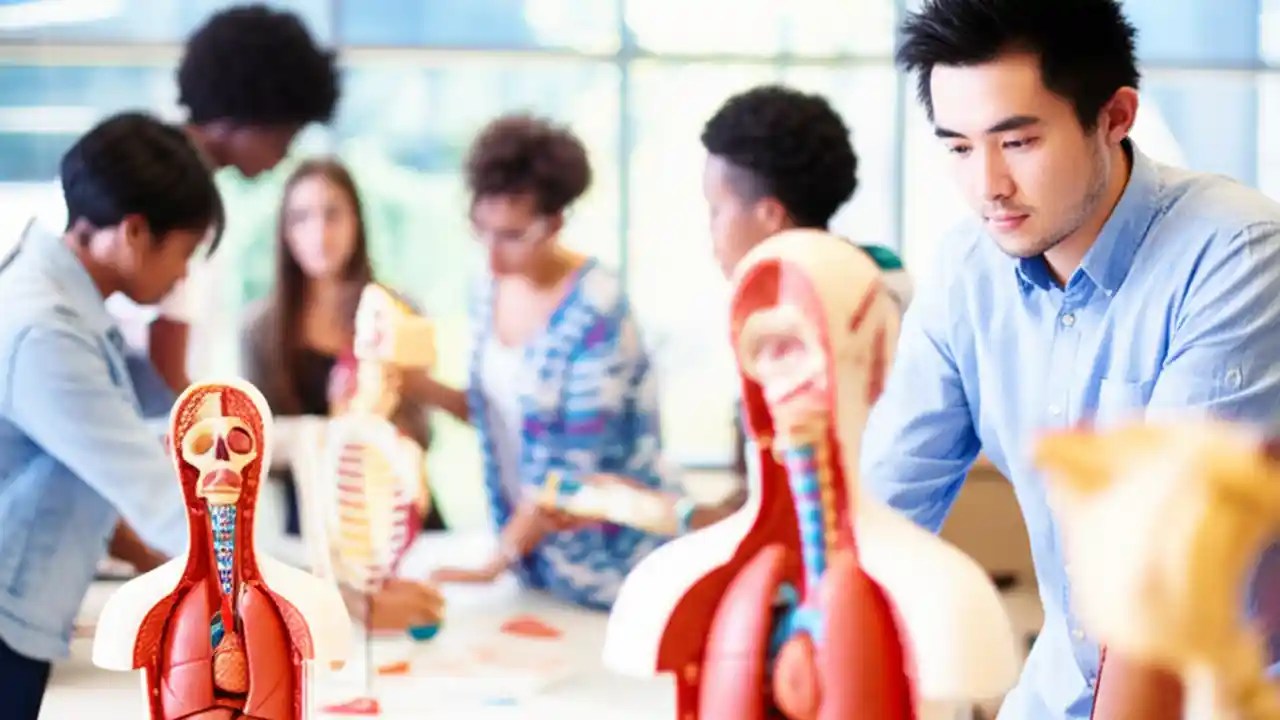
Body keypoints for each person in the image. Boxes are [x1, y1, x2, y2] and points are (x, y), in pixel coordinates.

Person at [866, 0, 1280, 717]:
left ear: (1116, 115)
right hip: (1061, 684)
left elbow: (1165, 579)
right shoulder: (967, 271)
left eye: (1018, 142)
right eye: (959, 148)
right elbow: (880, 520)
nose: (987, 185)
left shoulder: (1235, 253)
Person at [0, 112, 220, 720]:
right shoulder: (48, 331)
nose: (183, 275)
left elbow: (160, 406)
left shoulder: (65, 303)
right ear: (134, 232)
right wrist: (312, 603)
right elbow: (158, 496)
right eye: (185, 253)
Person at [408, 114, 676, 609]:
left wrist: (493, 562)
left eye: (511, 236)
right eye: (481, 231)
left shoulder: (598, 311)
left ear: (554, 223)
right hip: (534, 569)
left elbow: (575, 478)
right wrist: (414, 384)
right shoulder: (489, 289)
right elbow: (499, 412)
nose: (492, 256)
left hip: (607, 569)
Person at [699, 83, 913, 508]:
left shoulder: (805, 316)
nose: (712, 233)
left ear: (770, 215)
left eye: (716, 210)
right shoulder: (883, 277)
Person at [240, 158, 448, 533]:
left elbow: (423, 435)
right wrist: (332, 431)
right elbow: (257, 450)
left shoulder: (397, 312)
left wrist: (378, 406)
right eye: (301, 217)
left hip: (398, 518)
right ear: (285, 233)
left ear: (357, 222)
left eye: (332, 214)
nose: (319, 232)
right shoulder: (260, 330)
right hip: (313, 526)